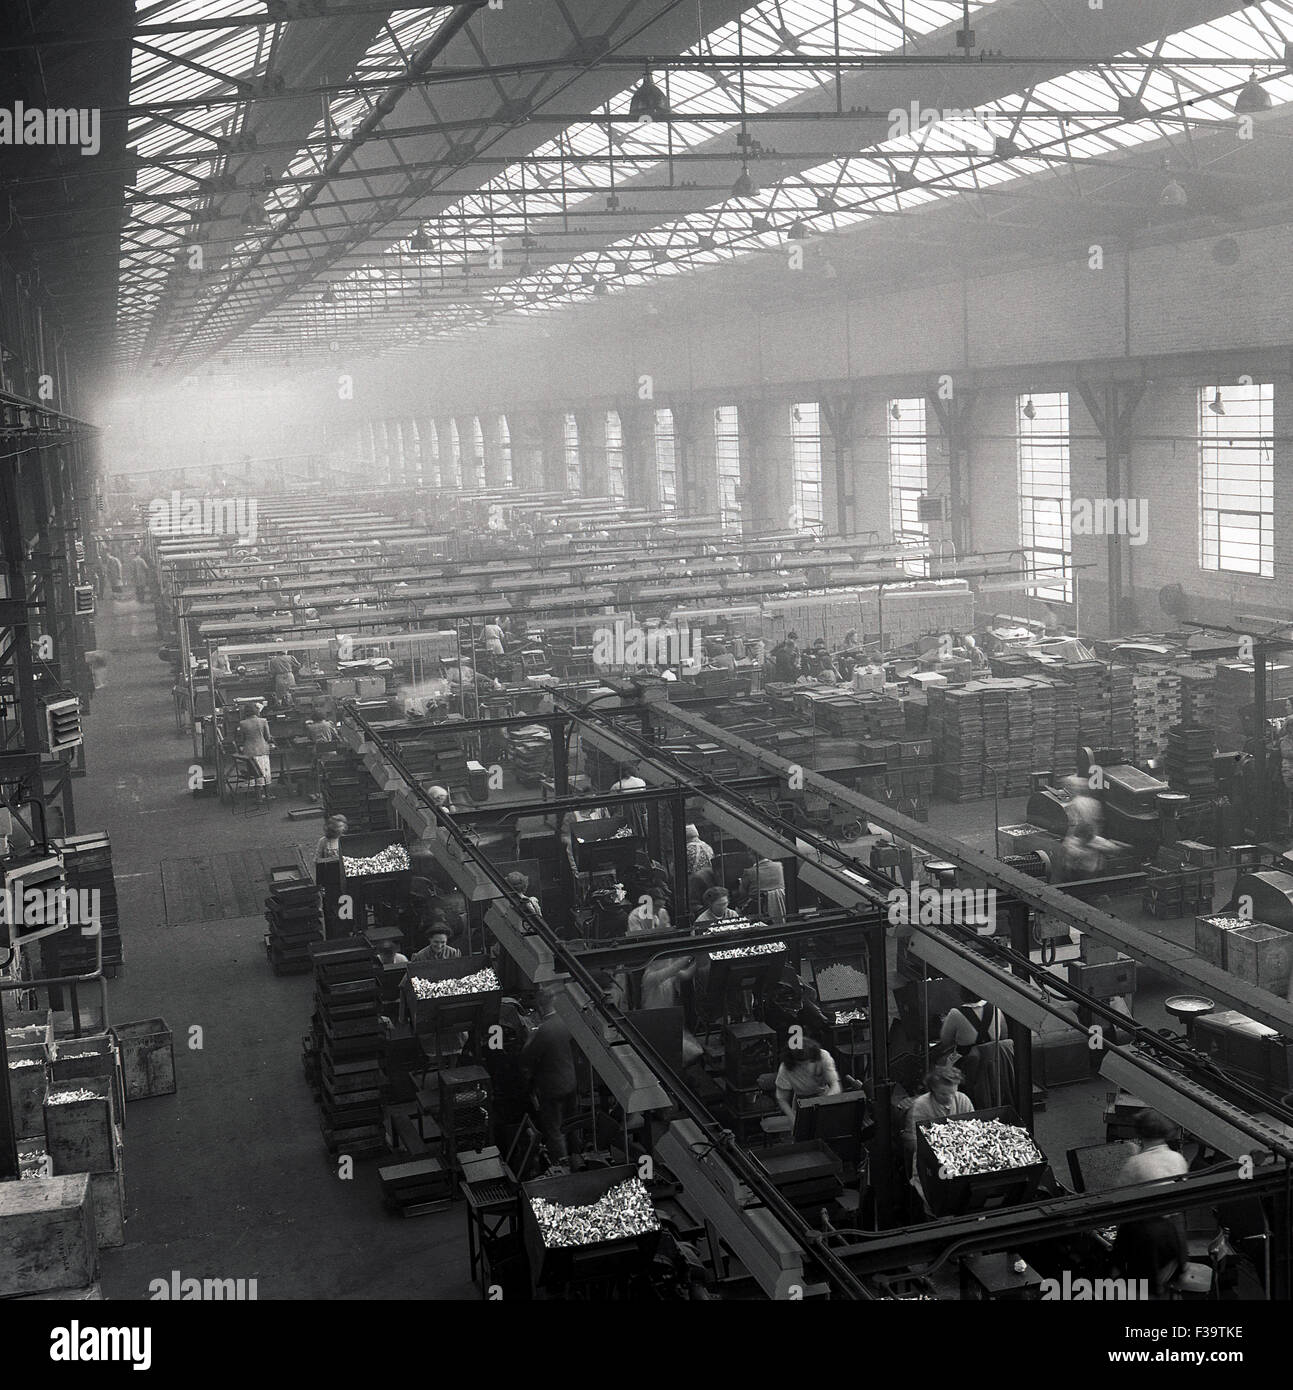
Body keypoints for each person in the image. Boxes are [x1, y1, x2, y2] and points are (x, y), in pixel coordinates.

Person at [1114, 1110, 1190, 1297]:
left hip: (1147, 1239)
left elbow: (1120, 1197)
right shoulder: (1177, 1158)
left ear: (1139, 1134)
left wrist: (1136, 1157)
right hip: (1175, 1236)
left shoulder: (1135, 1164)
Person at [520, 987, 578, 1171]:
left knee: (555, 1131)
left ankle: (562, 1167)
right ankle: (578, 1159)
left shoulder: (544, 1031)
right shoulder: (566, 1022)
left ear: (539, 1006)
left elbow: (526, 1058)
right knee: (572, 1125)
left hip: (552, 1088)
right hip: (570, 1082)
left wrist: (530, 1037)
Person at [938, 989, 1016, 1110]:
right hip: (996, 1064)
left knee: (940, 1062)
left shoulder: (955, 1013)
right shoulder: (995, 1008)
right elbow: (1003, 1036)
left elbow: (945, 1040)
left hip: (969, 1066)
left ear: (961, 994)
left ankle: (949, 1103)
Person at [903, 1064, 974, 1174]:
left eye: (953, 1093)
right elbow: (912, 1140)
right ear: (933, 1089)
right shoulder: (920, 1106)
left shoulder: (963, 1100)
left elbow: (973, 1130)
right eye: (943, 1094)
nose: (950, 1098)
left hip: (963, 1157)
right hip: (930, 1162)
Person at [773, 1040, 841, 1121]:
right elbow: (782, 1098)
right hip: (801, 1103)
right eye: (800, 1065)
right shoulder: (785, 1068)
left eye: (808, 1062)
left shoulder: (823, 1056)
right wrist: (792, 1118)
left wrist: (825, 1102)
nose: (805, 1067)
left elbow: (835, 1085)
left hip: (824, 1096)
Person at [236, 702, 274, 801]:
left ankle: (258, 798)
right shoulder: (263, 721)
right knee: (265, 773)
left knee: (254, 774)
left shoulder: (242, 723)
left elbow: (242, 739)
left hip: (250, 751)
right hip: (262, 749)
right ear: (256, 711)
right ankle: (268, 795)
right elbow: (268, 737)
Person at [740, 855, 787, 923]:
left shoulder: (749, 872)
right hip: (782, 905)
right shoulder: (779, 866)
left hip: (758, 909)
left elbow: (742, 892)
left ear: (751, 856)